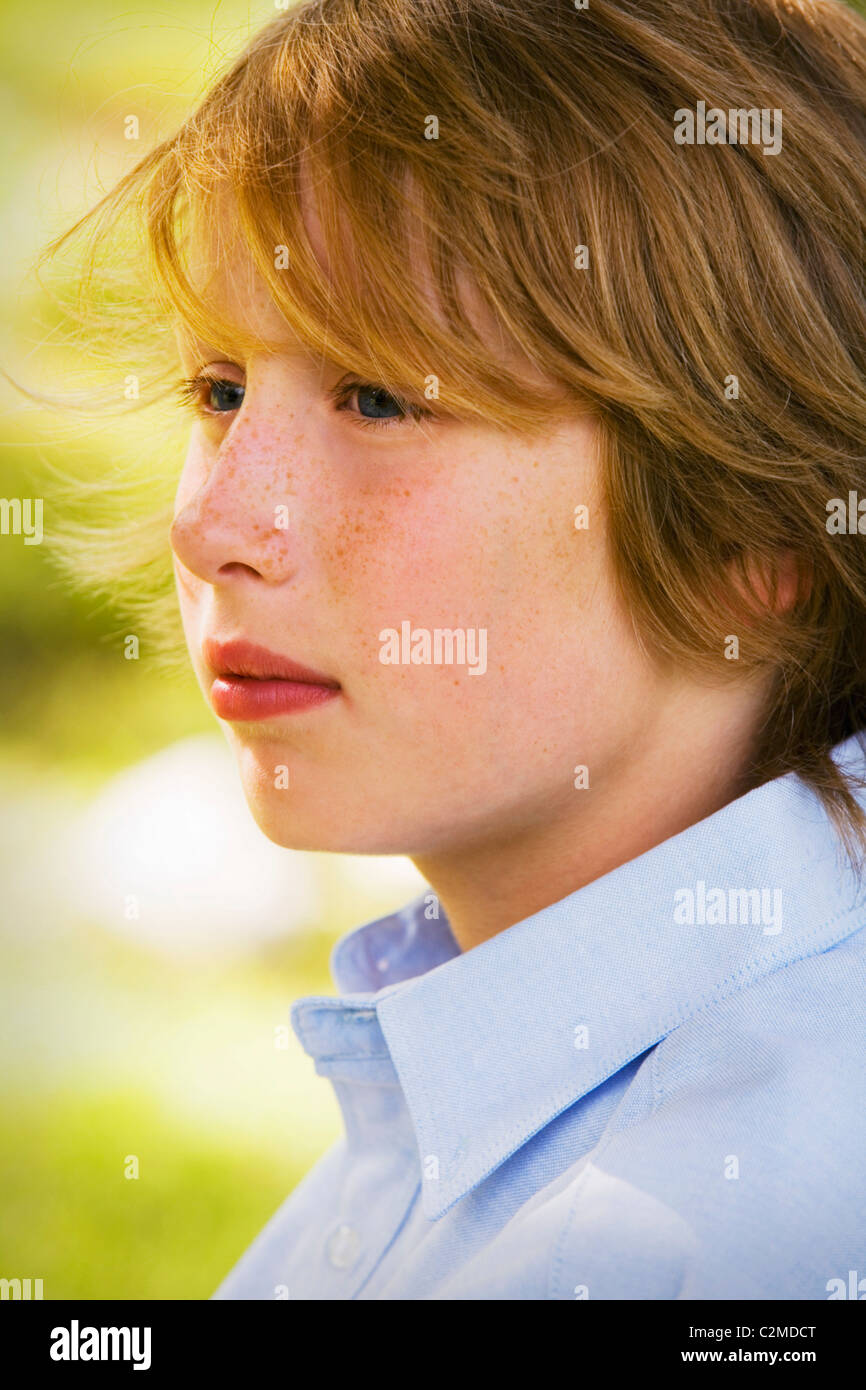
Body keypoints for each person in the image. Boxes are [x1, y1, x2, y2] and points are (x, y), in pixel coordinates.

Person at [51, 0, 866, 1298]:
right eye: (218, 391)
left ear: (757, 532)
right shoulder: (525, 1083)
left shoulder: (679, 1238)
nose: (209, 524)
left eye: (380, 397)